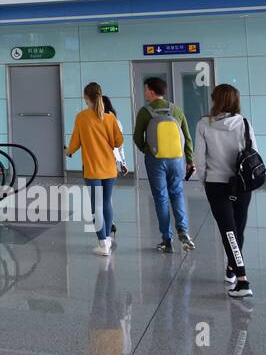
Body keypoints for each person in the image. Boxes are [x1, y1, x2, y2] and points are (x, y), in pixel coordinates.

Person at [195, 84, 256, 298]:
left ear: (215, 100)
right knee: (238, 228)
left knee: (228, 230)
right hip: (242, 183)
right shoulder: (244, 123)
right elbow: (253, 152)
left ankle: (242, 280)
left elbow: (199, 159)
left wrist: (204, 180)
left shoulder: (204, 124)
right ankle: (232, 267)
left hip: (217, 183)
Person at [133, 77, 196, 253]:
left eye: (146, 90)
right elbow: (187, 137)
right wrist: (189, 160)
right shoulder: (176, 110)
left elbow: (138, 138)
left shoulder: (145, 112)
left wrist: (148, 149)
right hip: (177, 159)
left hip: (155, 160)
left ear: (151, 91)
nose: (145, 93)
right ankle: (183, 231)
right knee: (177, 194)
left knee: (161, 198)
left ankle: (166, 239)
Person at [67, 82, 124, 256]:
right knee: (106, 203)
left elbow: (75, 143)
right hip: (109, 168)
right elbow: (118, 141)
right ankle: (107, 239)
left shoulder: (82, 117)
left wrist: (68, 152)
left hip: (92, 169)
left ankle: (102, 245)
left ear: (86, 98)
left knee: (96, 206)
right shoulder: (110, 118)